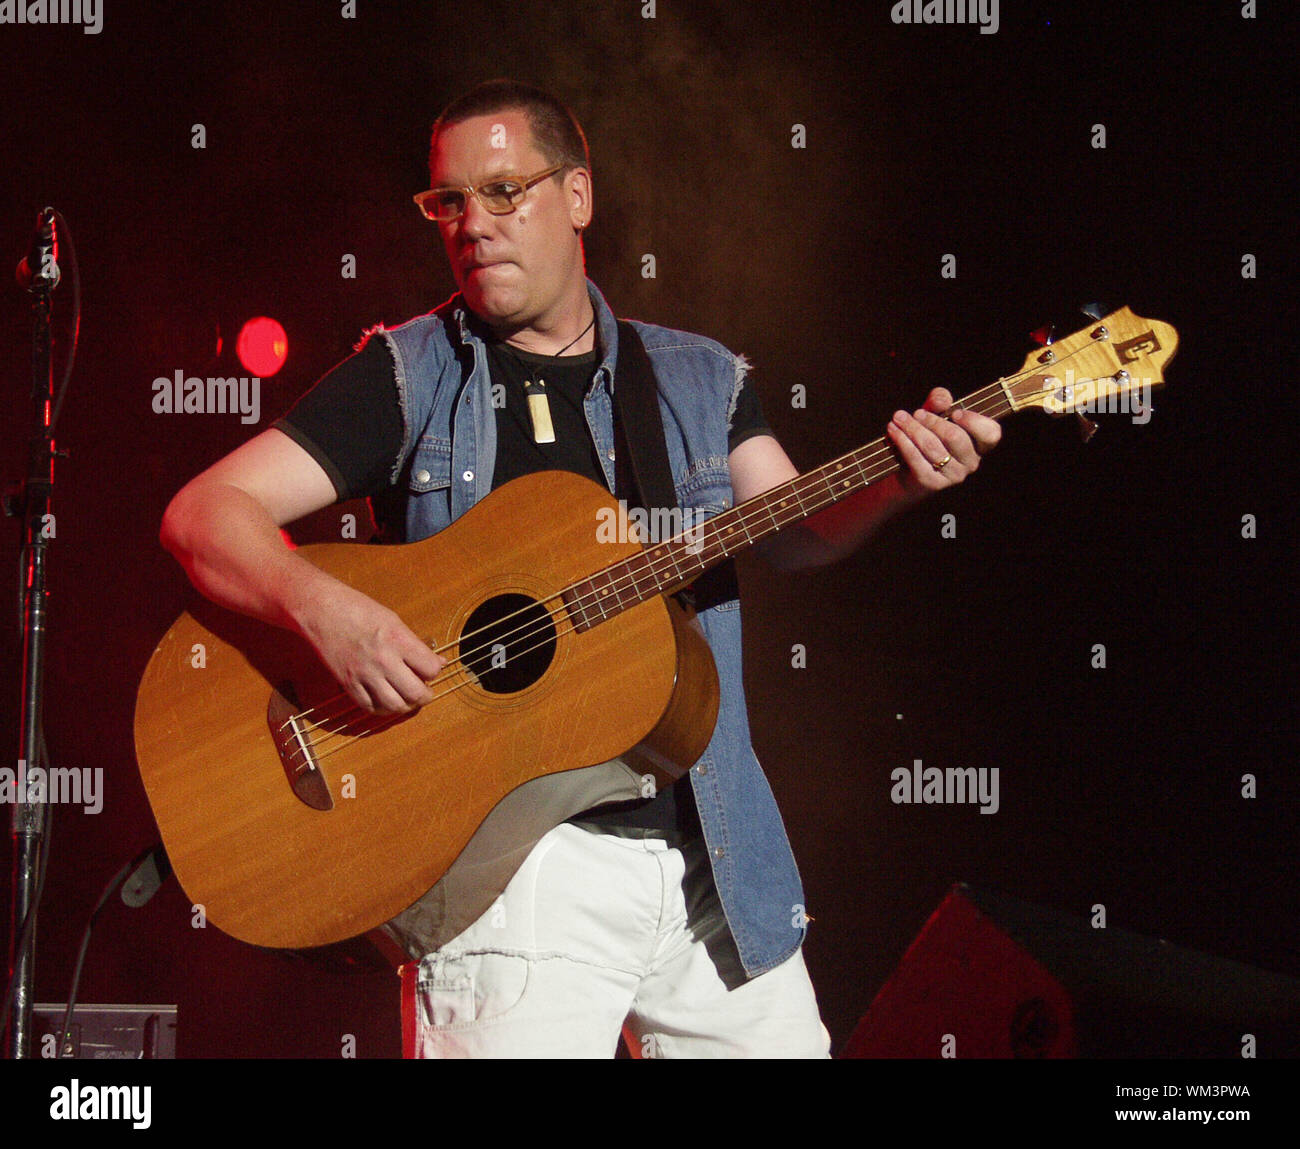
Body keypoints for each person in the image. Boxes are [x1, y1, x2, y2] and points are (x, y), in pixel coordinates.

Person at [159, 79, 1000, 1058]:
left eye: (505, 191)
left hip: (713, 865)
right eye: (450, 202)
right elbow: (202, 514)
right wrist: (325, 613)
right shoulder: (411, 372)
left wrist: (897, 481)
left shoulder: (696, 378)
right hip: (514, 885)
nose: (474, 224)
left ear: (578, 197)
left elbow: (792, 525)